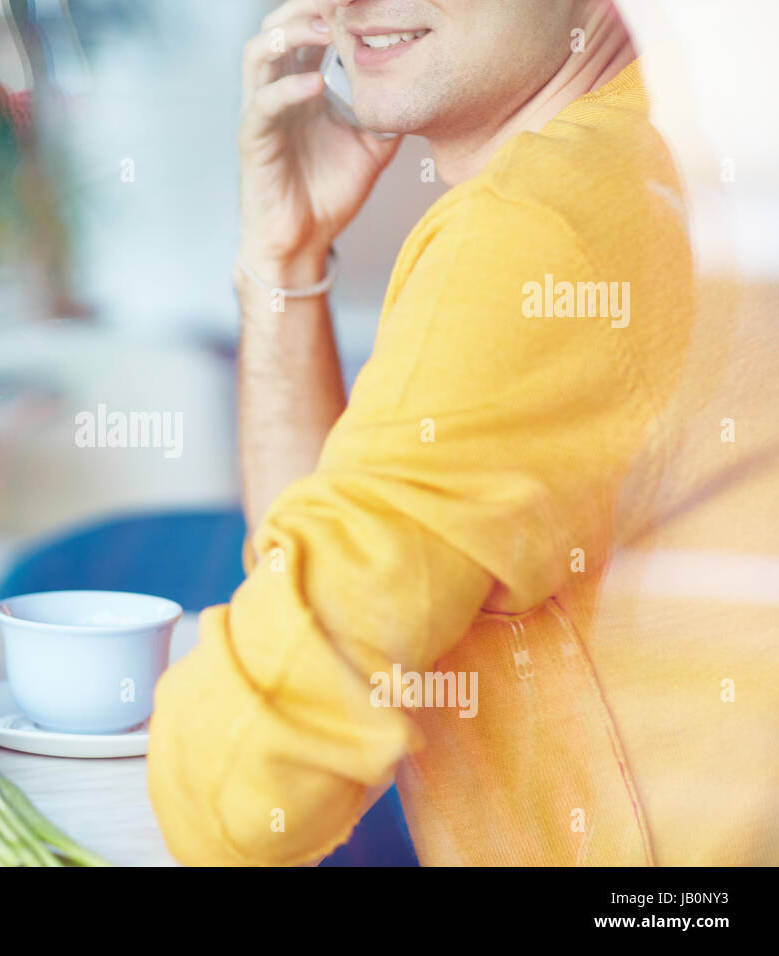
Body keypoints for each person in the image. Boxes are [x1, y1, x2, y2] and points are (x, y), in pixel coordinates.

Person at [146, 0, 779, 865]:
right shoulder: (676, 145)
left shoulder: (538, 232)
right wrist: (284, 255)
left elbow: (249, 790)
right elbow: (337, 600)